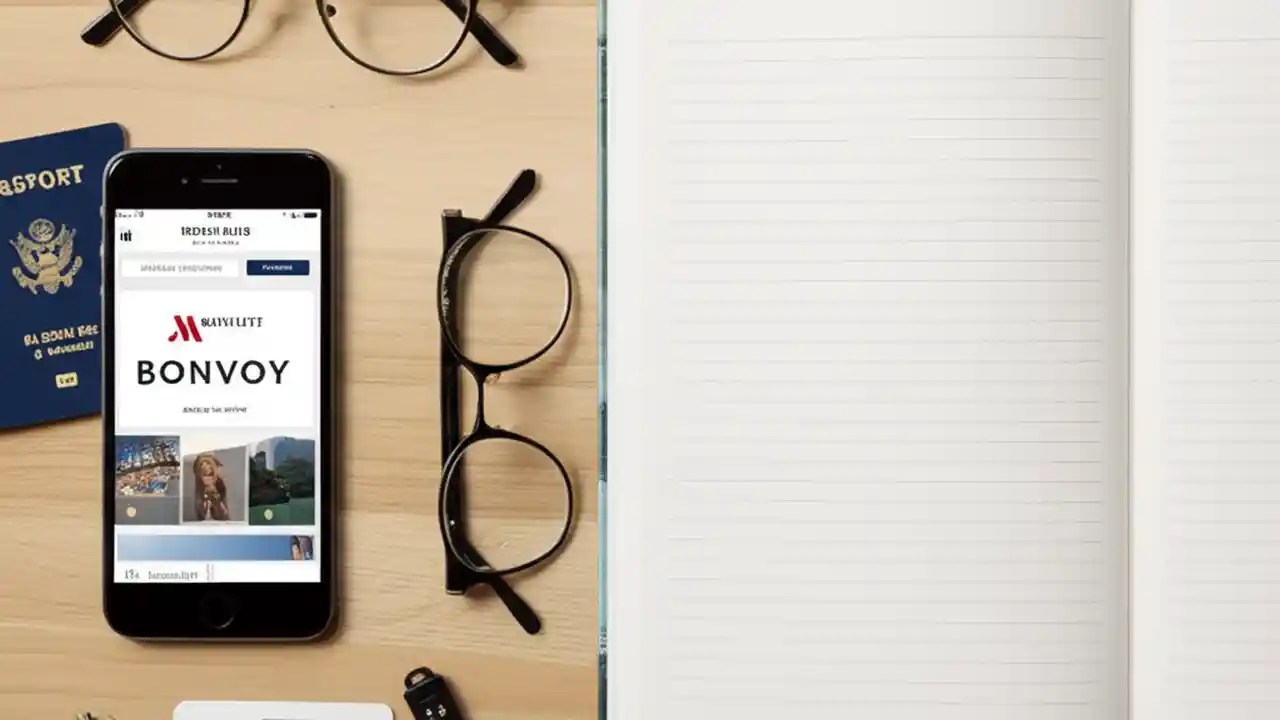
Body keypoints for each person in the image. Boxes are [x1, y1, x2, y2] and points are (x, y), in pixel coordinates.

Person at [192, 453, 231, 521]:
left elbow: (224, 514)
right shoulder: (199, 487)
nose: (207, 477)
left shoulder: (220, 484)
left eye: (210, 474)